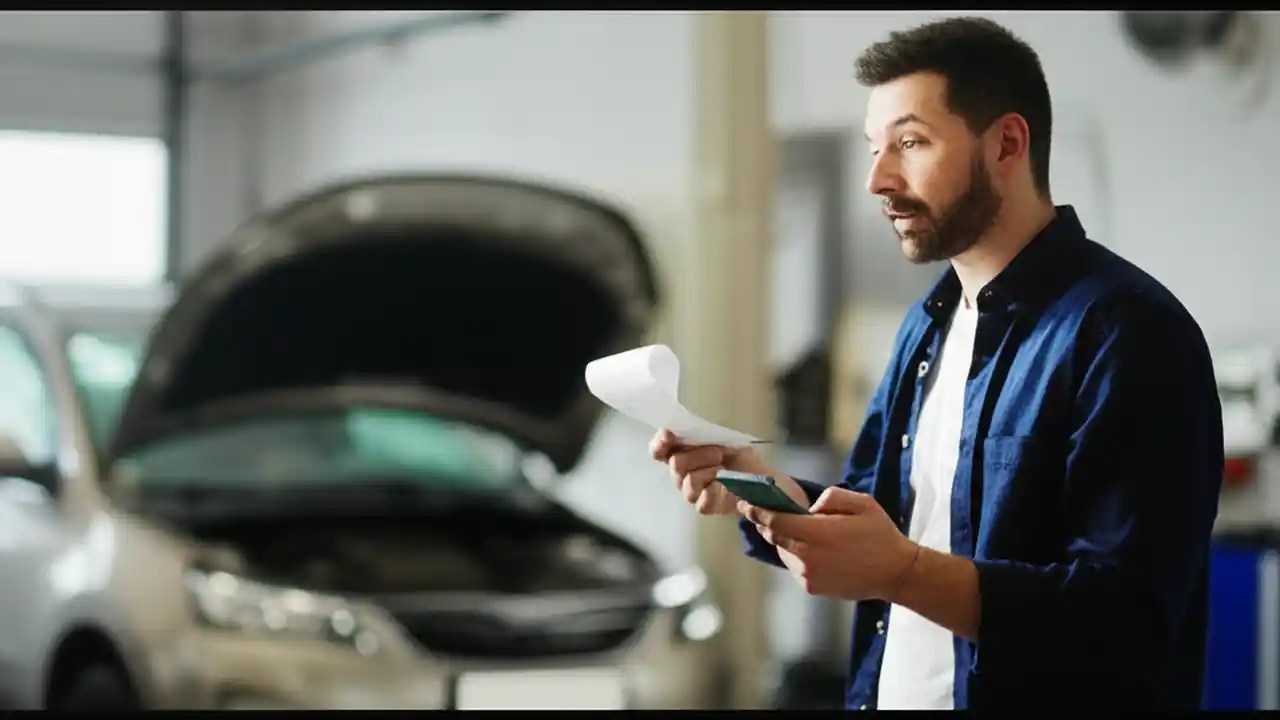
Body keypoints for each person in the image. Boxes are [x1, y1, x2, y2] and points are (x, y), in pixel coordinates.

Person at [650, 16, 1223, 711]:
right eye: (874, 148)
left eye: (910, 143)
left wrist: (905, 572)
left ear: (1007, 143)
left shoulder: (1127, 332)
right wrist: (758, 485)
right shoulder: (928, 326)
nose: (877, 179)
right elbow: (885, 525)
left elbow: (1126, 622)